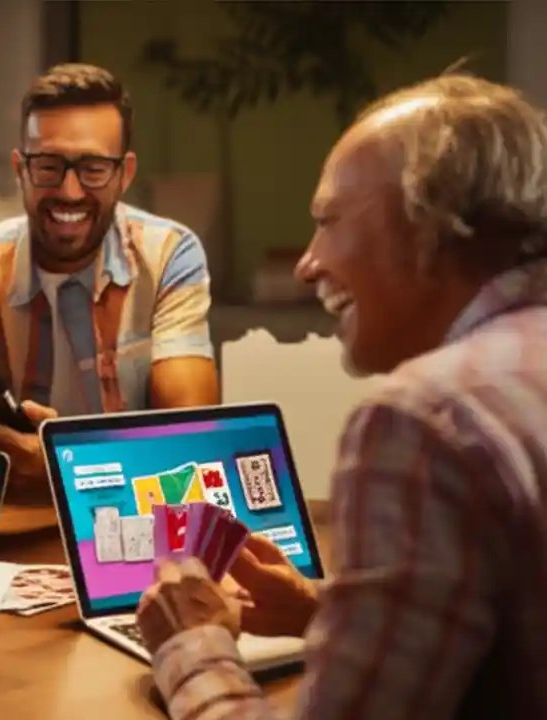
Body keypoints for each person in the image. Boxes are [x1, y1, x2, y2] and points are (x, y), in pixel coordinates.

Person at [137, 74, 547, 719]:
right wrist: (326, 610)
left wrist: (191, 645)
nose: (308, 264)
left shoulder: (424, 420)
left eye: (328, 222)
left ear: (426, 226)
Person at [0, 63, 219, 502]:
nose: (70, 191)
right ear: (20, 169)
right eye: (48, 166)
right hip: (0, 520)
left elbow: (193, 441)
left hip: (131, 516)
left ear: (125, 174)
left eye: (93, 168)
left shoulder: (168, 256)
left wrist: (62, 468)